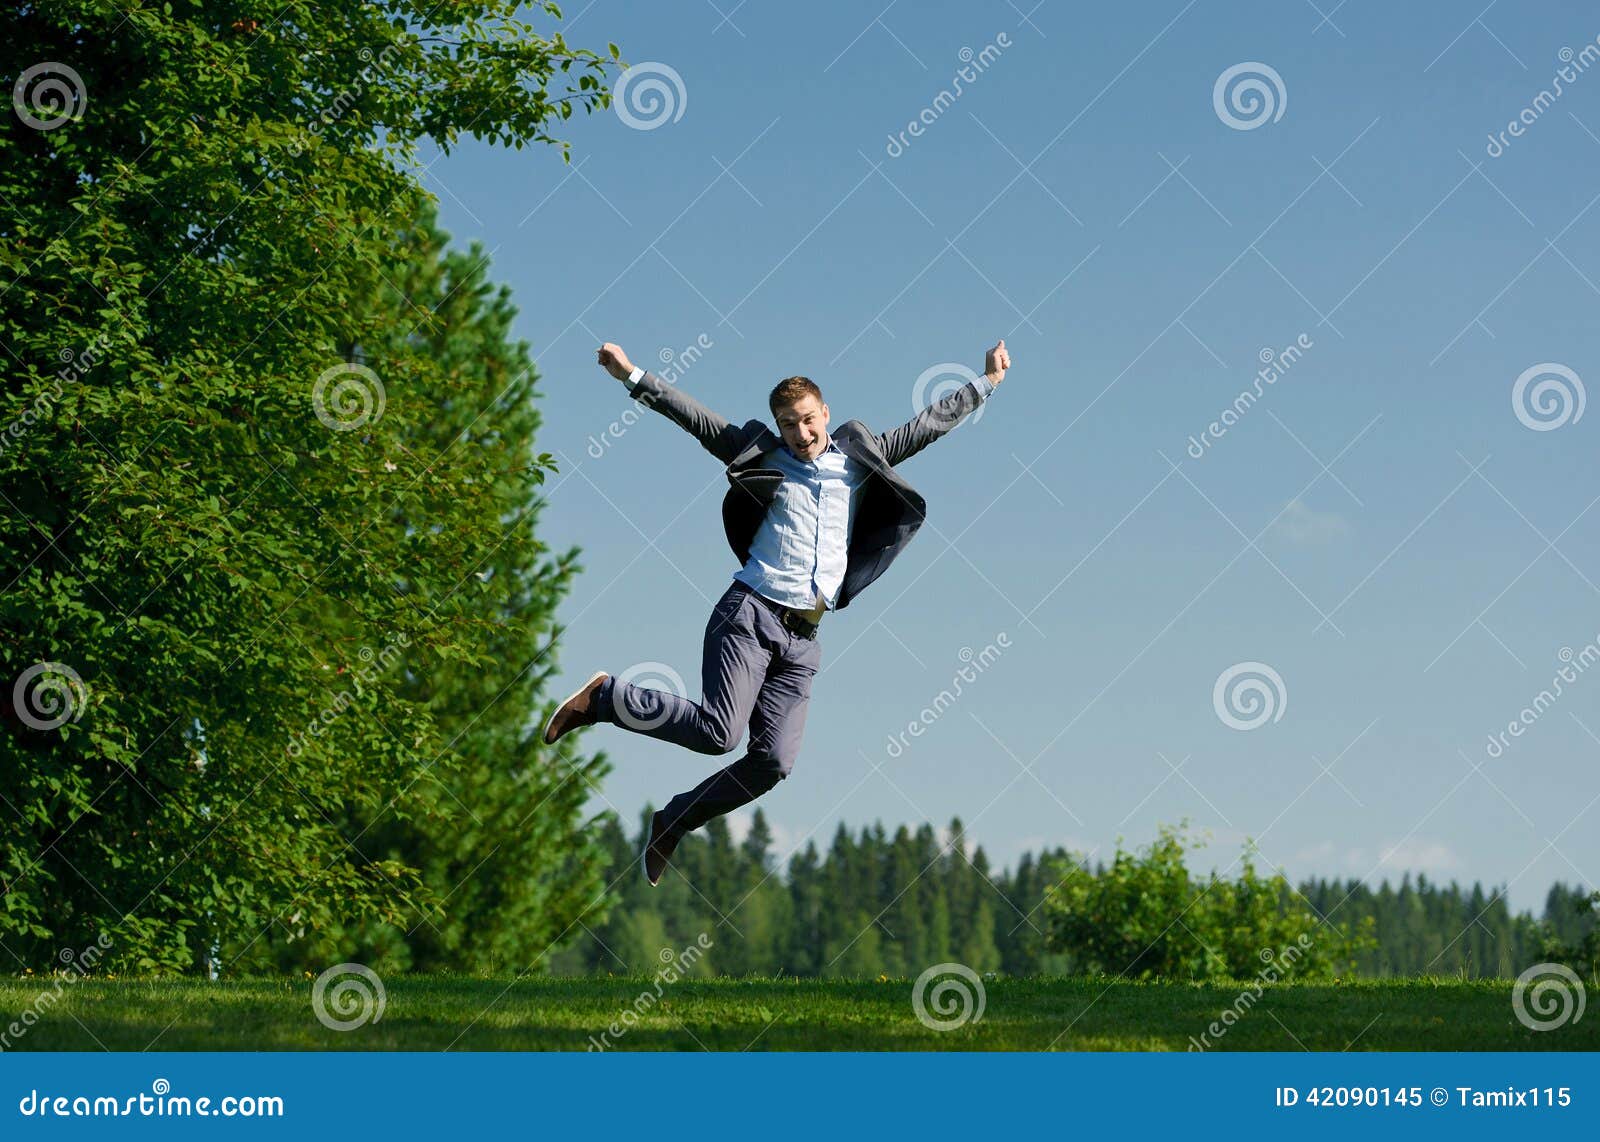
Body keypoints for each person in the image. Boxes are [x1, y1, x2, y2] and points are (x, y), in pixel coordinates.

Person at [544, 340, 1012, 884]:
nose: (802, 433)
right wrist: (630, 375)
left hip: (804, 640)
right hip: (750, 615)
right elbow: (695, 418)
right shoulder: (762, 456)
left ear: (826, 415)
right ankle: (605, 697)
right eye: (790, 425)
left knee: (774, 763)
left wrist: (988, 383)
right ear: (779, 427)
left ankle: (672, 822)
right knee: (719, 734)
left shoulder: (859, 461)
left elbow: (925, 425)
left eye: (809, 421)